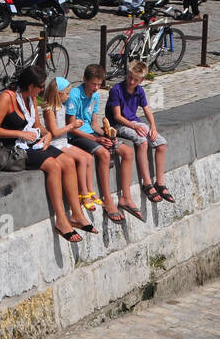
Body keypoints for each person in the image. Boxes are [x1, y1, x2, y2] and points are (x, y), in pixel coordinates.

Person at [0, 65, 89, 243]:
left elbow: (38, 126)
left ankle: (77, 214)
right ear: (29, 85)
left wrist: (48, 134)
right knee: (54, 166)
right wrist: (20, 133)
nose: (42, 90)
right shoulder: (7, 98)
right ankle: (61, 220)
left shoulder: (31, 98)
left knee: (69, 162)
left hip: (32, 142)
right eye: (40, 86)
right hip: (15, 147)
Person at [66, 63, 138, 222]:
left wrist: (107, 135)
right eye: (93, 84)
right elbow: (71, 128)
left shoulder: (96, 96)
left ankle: (125, 197)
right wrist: (97, 139)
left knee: (127, 152)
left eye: (99, 84)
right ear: (85, 80)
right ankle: (107, 199)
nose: (96, 88)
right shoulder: (75, 95)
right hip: (77, 135)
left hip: (90, 132)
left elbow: (93, 124)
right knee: (104, 154)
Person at [107, 60, 173, 205]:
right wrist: (135, 127)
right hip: (118, 124)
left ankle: (160, 182)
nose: (131, 81)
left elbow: (147, 110)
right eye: (129, 77)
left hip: (134, 122)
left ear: (141, 80)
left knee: (161, 144)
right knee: (142, 141)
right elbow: (117, 116)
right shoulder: (116, 90)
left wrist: (153, 127)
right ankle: (147, 182)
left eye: (135, 80)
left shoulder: (139, 91)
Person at [42, 77, 101, 215]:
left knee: (88, 158)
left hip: (63, 141)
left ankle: (90, 189)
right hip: (55, 144)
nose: (69, 97)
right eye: (67, 94)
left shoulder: (61, 107)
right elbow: (54, 132)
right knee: (81, 160)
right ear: (58, 93)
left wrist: (73, 126)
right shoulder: (50, 110)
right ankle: (83, 193)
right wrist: (71, 126)